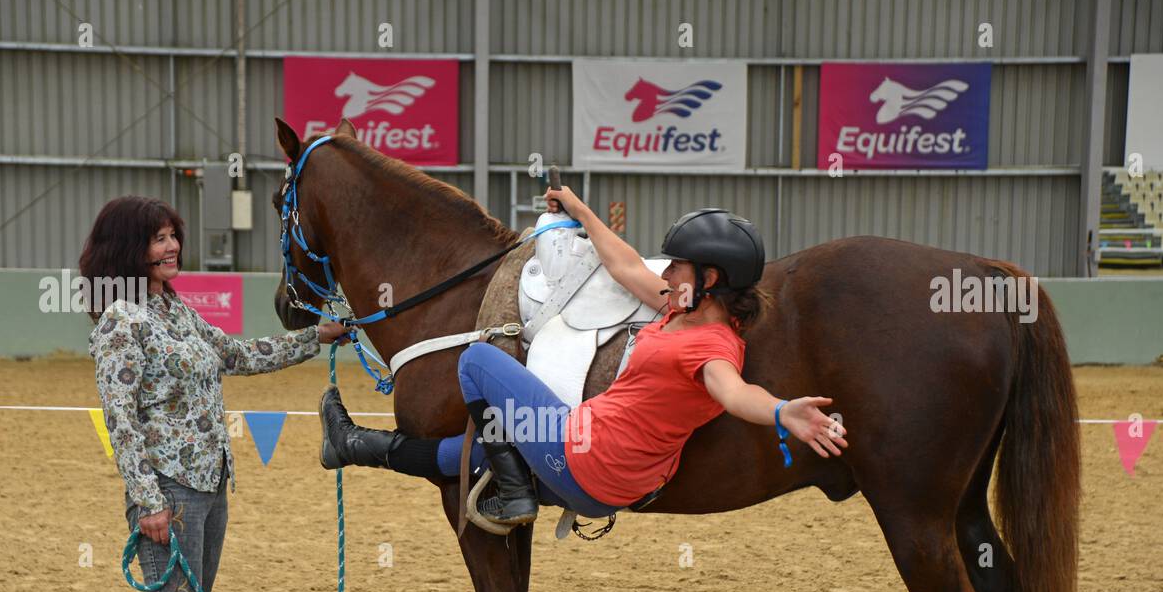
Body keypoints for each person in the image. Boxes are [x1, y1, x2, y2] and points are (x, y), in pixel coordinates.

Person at [319, 185, 849, 525]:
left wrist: (782, 411)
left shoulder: (711, 347)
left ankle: (513, 489)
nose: (665, 273)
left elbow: (735, 392)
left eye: (677, 266)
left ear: (709, 279)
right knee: (467, 455)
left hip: (585, 460)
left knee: (476, 363)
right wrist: (581, 212)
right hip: (623, 477)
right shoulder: (681, 309)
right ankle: (354, 445)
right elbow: (624, 267)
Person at [82, 195, 349, 592]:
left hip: (210, 485)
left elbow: (237, 355)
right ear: (127, 247)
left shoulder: (174, 309)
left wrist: (317, 337)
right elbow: (121, 422)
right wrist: (147, 501)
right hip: (169, 497)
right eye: (157, 238)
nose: (171, 246)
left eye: (174, 236)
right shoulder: (123, 321)